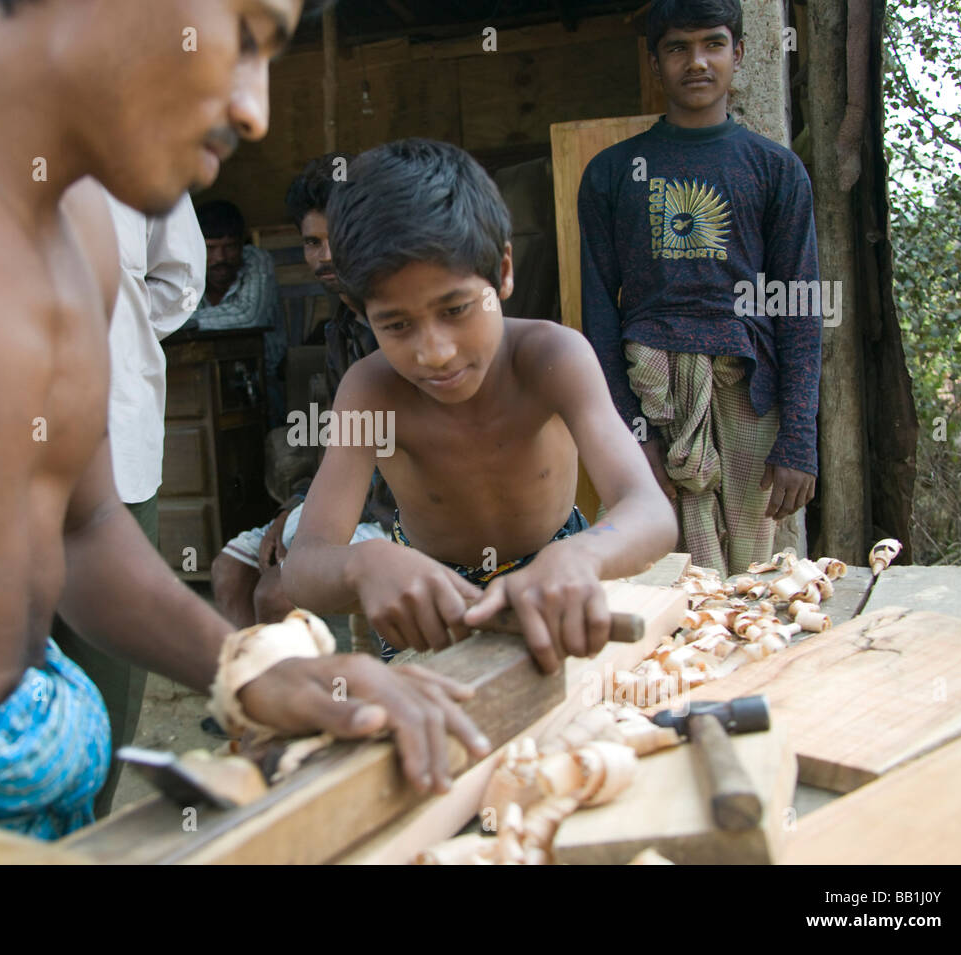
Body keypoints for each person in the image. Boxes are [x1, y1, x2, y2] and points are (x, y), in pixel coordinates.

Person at [0, 0, 491, 864]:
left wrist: (248, 666)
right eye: (246, 36)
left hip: (3, 821)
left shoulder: (83, 237)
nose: (255, 107)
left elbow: (80, 528)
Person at [282, 139, 678, 675]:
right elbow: (304, 565)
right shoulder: (369, 391)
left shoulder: (551, 357)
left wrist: (581, 555)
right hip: (428, 600)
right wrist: (363, 562)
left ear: (504, 272)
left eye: (456, 308)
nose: (435, 352)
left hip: (557, 576)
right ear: (358, 310)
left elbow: (650, 513)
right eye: (396, 325)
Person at [578, 0, 821, 577]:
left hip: (749, 397)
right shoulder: (612, 173)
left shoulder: (776, 170)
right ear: (654, 61)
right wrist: (631, 431)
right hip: (654, 395)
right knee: (662, 572)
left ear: (738, 53)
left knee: (752, 578)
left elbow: (801, 311)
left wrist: (798, 441)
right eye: (677, 47)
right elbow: (599, 315)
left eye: (713, 44)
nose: (697, 62)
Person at [54, 189, 204, 817]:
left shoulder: (118, 178)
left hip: (114, 443)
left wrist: (246, 674)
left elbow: (179, 278)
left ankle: (87, 832)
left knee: (105, 675)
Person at [212, 154, 395, 630]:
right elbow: (332, 449)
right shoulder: (337, 333)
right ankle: (253, 692)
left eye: (337, 240)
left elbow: (384, 458)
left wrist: (315, 529)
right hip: (337, 502)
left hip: (395, 516)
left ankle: (305, 700)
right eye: (312, 243)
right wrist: (292, 510)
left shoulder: (398, 327)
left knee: (276, 592)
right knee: (231, 570)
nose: (325, 256)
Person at [193, 199, 289, 423]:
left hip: (261, 381)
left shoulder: (257, 260)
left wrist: (184, 322)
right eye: (210, 248)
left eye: (230, 247)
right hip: (201, 382)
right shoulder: (188, 269)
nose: (220, 258)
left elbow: (248, 316)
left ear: (242, 244)